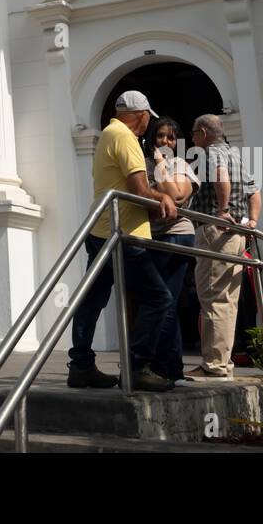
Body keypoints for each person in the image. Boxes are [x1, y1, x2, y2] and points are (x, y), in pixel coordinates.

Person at [67, 91, 177, 392]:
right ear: (140, 114)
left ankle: (81, 366)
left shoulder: (106, 134)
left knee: (91, 302)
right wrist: (164, 197)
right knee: (158, 299)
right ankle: (137, 367)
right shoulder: (125, 137)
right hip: (124, 233)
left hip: (102, 230)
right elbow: (139, 189)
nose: (148, 125)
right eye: (147, 119)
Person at [187, 113, 260, 381]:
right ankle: (222, 362)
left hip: (216, 231)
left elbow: (220, 176)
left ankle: (214, 365)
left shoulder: (211, 154)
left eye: (194, 133)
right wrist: (252, 221)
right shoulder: (238, 155)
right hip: (238, 233)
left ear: (203, 133)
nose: (192, 138)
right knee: (228, 299)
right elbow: (255, 192)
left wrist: (222, 209)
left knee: (212, 297)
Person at [146, 117, 198, 383]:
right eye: (159, 136)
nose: (164, 142)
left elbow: (176, 196)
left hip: (176, 236)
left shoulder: (179, 164)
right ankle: (170, 367)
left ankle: (164, 367)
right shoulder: (142, 167)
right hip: (150, 238)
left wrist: (160, 165)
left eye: (169, 137)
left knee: (164, 301)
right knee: (163, 302)